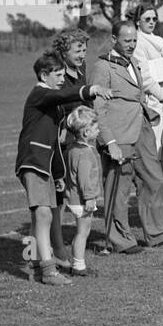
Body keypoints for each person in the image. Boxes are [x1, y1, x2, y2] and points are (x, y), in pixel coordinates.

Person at [15, 52, 112, 285]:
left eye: (62, 74)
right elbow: (62, 94)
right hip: (33, 161)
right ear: (43, 75)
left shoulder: (52, 100)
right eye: (57, 75)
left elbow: (56, 144)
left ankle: (34, 263)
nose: (61, 78)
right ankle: (48, 271)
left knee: (41, 215)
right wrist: (89, 90)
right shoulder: (40, 94)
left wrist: (59, 173)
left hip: (46, 164)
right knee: (43, 212)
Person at [90, 21, 163, 252]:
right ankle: (120, 240)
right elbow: (98, 109)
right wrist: (109, 142)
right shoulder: (102, 67)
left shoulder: (134, 61)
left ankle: (157, 232)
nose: (132, 45)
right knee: (118, 188)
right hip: (119, 134)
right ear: (114, 40)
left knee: (154, 179)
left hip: (142, 129)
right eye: (127, 41)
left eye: (134, 41)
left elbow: (138, 93)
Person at [131, 5, 163, 225]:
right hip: (152, 107)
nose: (151, 22)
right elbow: (146, 79)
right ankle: (154, 210)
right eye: (147, 18)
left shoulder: (159, 42)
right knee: (152, 162)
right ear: (137, 22)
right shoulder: (138, 44)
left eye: (154, 18)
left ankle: (162, 208)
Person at [48, 29, 98, 262]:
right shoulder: (57, 76)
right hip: (62, 143)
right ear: (63, 51)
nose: (82, 54)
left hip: (80, 140)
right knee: (60, 195)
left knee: (80, 189)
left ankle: (78, 242)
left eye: (84, 50)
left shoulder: (81, 70)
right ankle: (57, 247)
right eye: (78, 50)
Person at [61, 106, 104, 278]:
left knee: (81, 232)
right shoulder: (85, 153)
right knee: (82, 233)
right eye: (96, 128)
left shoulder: (72, 148)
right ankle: (78, 265)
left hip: (73, 196)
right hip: (82, 199)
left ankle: (78, 263)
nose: (98, 130)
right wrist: (90, 198)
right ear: (86, 132)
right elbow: (84, 179)